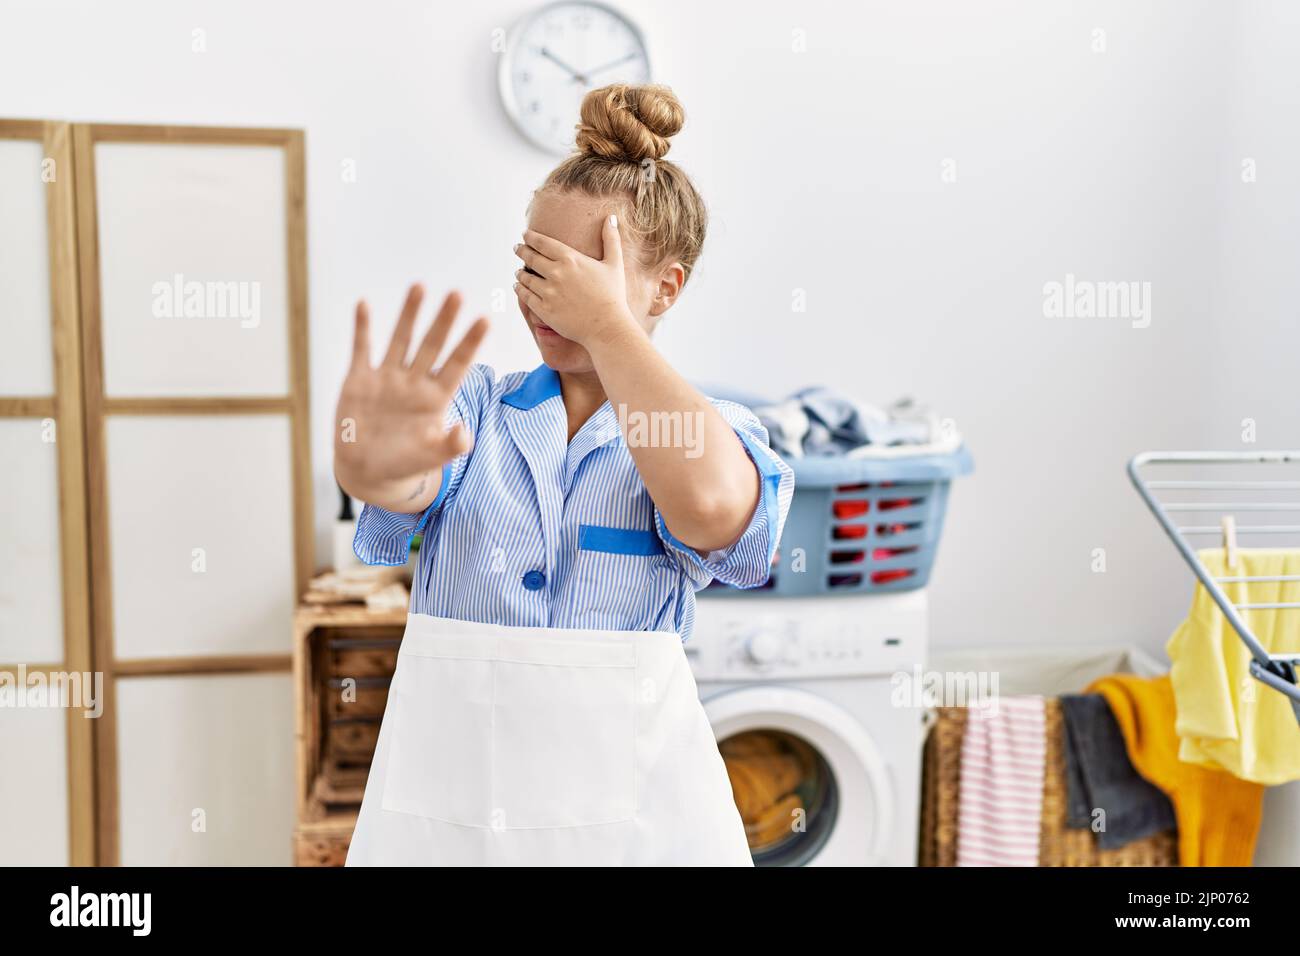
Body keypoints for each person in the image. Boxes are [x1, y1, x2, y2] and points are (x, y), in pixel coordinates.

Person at [337, 83, 794, 866]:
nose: (549, 294)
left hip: (630, 825)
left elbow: (713, 510)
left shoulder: (707, 433)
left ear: (665, 287)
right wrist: (373, 463)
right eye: (535, 264)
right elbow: (407, 483)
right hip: (453, 817)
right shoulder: (479, 408)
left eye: (584, 270)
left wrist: (609, 327)